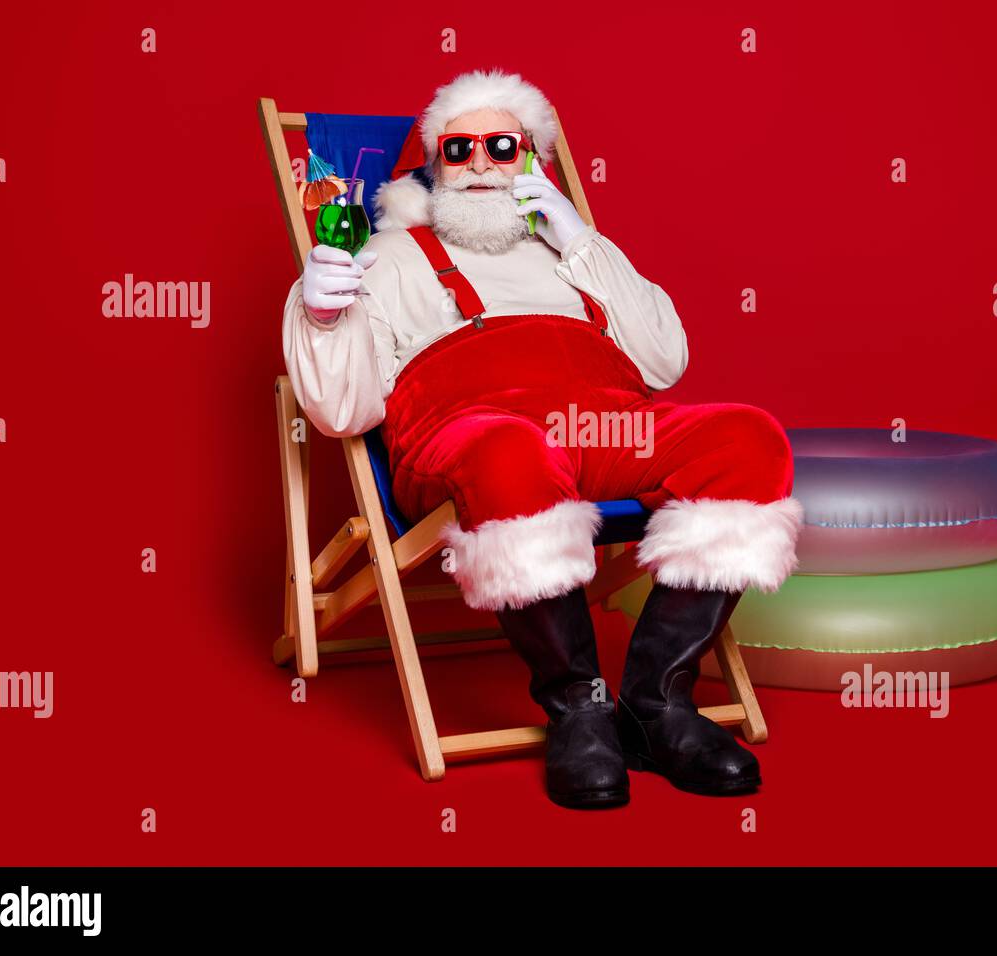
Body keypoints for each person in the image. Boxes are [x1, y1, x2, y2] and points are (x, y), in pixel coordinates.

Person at [283, 68, 802, 809]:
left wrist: (584, 242)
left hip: (600, 420)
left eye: (503, 145)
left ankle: (658, 707)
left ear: (532, 158)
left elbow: (663, 361)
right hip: (470, 431)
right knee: (509, 453)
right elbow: (341, 410)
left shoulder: (568, 244)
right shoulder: (389, 257)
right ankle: (581, 711)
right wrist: (321, 315)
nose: (483, 166)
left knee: (746, 438)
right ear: (431, 170)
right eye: (459, 151)